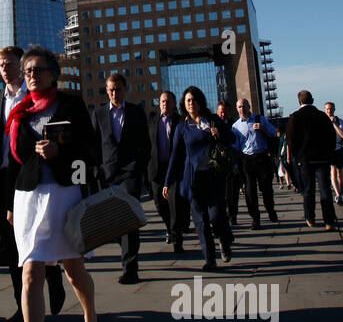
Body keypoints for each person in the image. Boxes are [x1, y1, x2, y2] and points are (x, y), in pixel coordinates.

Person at [5, 46, 101, 322]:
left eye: (38, 70)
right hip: (28, 197)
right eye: (27, 70)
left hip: (64, 194)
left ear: (53, 74)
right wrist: (9, 204)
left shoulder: (71, 104)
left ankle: (90, 318)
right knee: (30, 273)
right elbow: (13, 162)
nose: (31, 75)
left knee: (74, 271)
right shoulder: (20, 112)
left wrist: (62, 152)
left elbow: (91, 153)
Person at [0, 46, 65, 322]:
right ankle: (22, 305)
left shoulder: (33, 97)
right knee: (11, 248)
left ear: (22, 65)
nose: (5, 68)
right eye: (1, 64)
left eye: (10, 63)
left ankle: (53, 276)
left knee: (37, 240)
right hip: (4, 179)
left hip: (33, 176)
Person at [163, 86, 236, 271]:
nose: (191, 103)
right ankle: (210, 259)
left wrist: (219, 134)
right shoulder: (182, 127)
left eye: (194, 100)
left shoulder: (212, 120)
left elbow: (231, 138)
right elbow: (175, 155)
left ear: (200, 102)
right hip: (193, 180)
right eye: (188, 100)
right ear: (184, 104)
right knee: (201, 222)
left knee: (216, 217)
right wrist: (167, 181)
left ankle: (224, 239)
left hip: (213, 177)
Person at [93, 73, 151, 283]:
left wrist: (138, 168)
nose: (114, 93)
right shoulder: (99, 114)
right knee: (113, 222)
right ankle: (127, 249)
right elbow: (94, 145)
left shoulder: (136, 112)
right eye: (110, 90)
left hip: (130, 173)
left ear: (125, 89)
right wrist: (96, 171)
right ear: (106, 91)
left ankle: (130, 268)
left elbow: (145, 144)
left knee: (128, 220)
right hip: (108, 175)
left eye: (118, 89)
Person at [283, 90, 338, 230]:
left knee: (308, 190)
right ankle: (329, 221)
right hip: (322, 159)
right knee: (325, 189)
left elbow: (290, 139)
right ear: (312, 100)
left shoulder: (295, 117)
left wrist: (297, 155)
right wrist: (328, 153)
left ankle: (310, 218)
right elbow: (332, 136)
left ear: (299, 102)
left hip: (305, 159)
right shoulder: (322, 116)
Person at [147, 90, 187, 254]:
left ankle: (177, 240)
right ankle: (170, 228)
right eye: (162, 101)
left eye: (168, 101)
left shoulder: (180, 122)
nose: (165, 104)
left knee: (175, 203)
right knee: (159, 203)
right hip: (157, 169)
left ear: (173, 103)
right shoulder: (152, 121)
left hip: (175, 169)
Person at [231, 97, 279, 228]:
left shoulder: (260, 119)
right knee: (250, 190)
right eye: (239, 107)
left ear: (249, 106)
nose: (242, 109)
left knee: (266, 188)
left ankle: (270, 210)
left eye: (244, 106)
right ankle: (255, 218)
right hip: (247, 159)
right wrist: (236, 164)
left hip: (261, 157)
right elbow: (235, 147)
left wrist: (263, 129)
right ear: (237, 109)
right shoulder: (235, 126)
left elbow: (274, 133)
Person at [213, 99, 243, 227]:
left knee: (232, 192)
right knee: (220, 193)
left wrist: (236, 164)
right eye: (220, 112)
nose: (222, 115)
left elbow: (234, 144)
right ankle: (222, 216)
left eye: (225, 112)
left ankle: (233, 215)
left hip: (231, 162)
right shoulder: (212, 125)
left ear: (229, 112)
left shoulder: (234, 126)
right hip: (217, 164)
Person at [323, 101, 343, 206]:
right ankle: (338, 195)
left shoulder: (339, 121)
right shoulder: (322, 122)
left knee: (339, 173)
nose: (329, 111)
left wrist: (334, 124)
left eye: (331, 109)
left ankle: (340, 191)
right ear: (325, 110)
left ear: (334, 110)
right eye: (327, 109)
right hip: (329, 150)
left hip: (338, 149)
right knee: (332, 172)